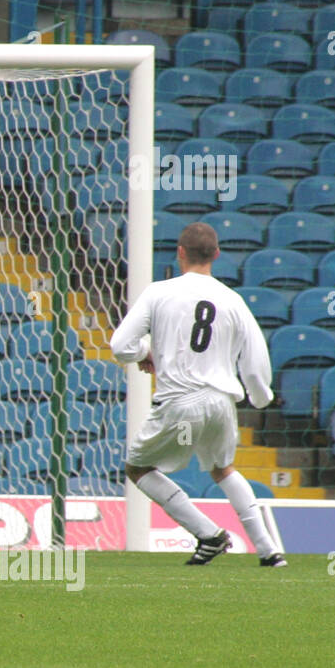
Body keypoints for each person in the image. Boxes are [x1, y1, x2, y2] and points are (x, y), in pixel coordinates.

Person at [111, 222, 285, 567]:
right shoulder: (232, 300)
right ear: (216, 255)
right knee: (224, 469)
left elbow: (119, 345)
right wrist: (261, 397)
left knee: (137, 468)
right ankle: (269, 551)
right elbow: (254, 362)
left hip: (180, 400)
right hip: (221, 402)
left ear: (180, 252)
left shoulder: (159, 292)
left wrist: (144, 353)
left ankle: (209, 534)